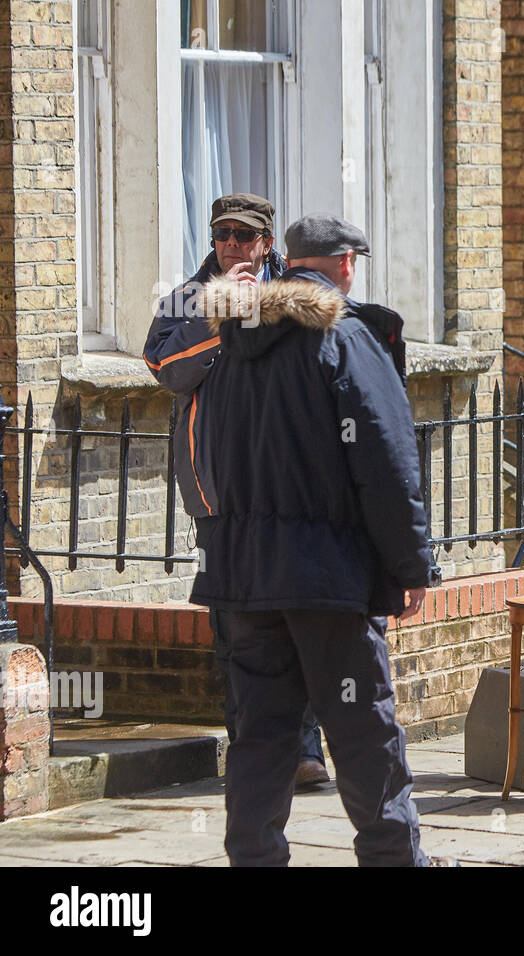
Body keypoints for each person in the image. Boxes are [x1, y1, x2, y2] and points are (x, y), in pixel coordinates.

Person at [190, 214, 435, 866]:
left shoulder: (232, 348)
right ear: (346, 264)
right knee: (363, 734)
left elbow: (210, 454)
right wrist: (412, 563)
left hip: (246, 578)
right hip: (329, 580)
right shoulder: (345, 338)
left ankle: (254, 858)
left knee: (259, 736)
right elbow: (386, 460)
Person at [142, 193, 330, 790]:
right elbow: (167, 368)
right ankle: (251, 748)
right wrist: (222, 308)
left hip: (288, 486)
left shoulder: (295, 294)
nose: (231, 246)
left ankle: (305, 751)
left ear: (267, 243)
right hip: (219, 488)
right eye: (223, 235)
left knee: (296, 616)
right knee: (233, 624)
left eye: (244, 238)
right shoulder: (184, 298)